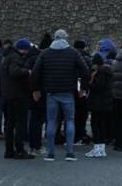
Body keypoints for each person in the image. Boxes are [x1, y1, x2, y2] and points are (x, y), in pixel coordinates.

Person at [30, 29, 90, 162]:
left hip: (51, 92)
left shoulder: (45, 53)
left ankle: (51, 154)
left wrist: (36, 90)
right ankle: (69, 153)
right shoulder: (73, 52)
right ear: (65, 38)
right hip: (68, 92)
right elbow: (85, 71)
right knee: (69, 120)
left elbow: (35, 72)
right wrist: (83, 88)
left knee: (51, 121)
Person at [0, 38, 34, 159]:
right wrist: (28, 71)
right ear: (24, 49)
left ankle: (9, 150)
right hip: (18, 95)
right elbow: (14, 72)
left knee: (10, 123)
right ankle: (19, 150)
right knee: (20, 123)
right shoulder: (15, 57)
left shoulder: (7, 56)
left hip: (9, 94)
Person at [86, 53, 114, 158]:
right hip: (106, 103)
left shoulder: (100, 72)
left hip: (98, 103)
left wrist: (90, 82)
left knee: (95, 124)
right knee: (101, 125)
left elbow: (98, 87)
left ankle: (97, 148)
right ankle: (101, 148)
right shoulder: (108, 71)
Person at [25, 40, 46, 155]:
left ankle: (33, 145)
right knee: (38, 120)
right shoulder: (39, 59)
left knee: (33, 119)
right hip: (39, 92)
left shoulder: (28, 59)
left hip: (30, 93)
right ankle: (36, 146)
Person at [73, 40, 93, 145]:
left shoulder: (70, 56)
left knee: (72, 114)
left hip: (70, 88)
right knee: (82, 114)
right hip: (82, 90)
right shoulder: (87, 59)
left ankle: (72, 135)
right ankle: (80, 134)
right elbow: (89, 73)